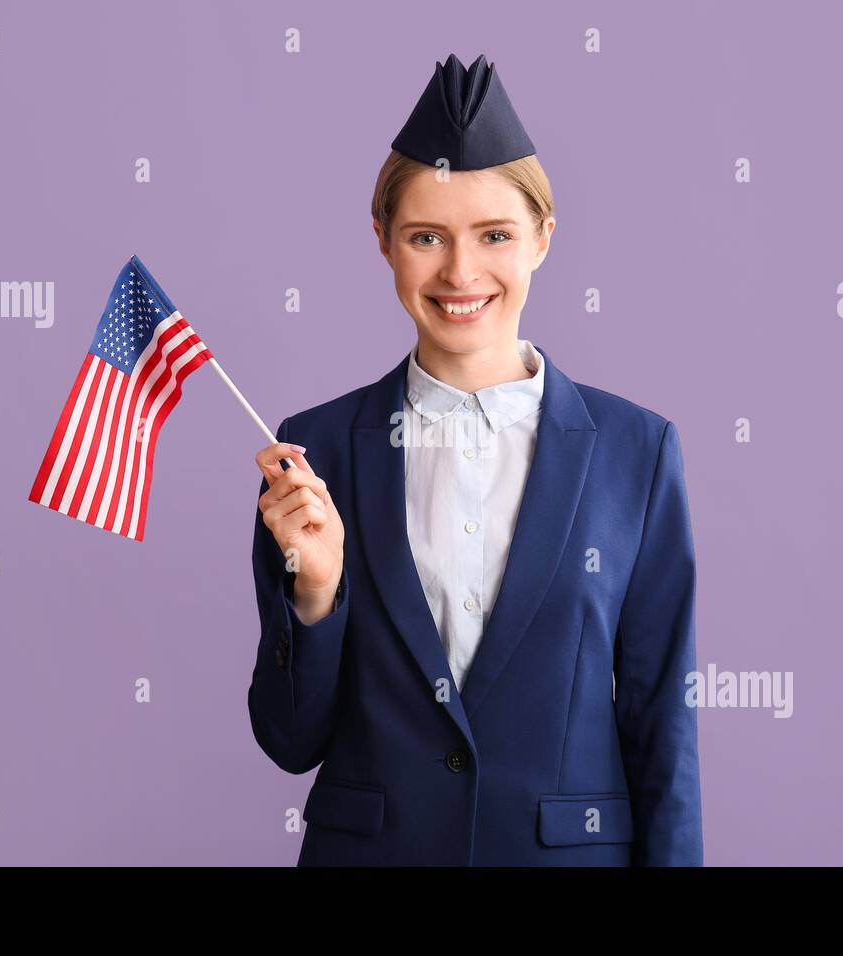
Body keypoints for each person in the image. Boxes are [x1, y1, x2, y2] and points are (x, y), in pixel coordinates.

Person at [249, 53, 702, 866]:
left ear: (543, 239)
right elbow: (291, 740)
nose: (461, 272)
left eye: (494, 235)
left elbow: (662, 723)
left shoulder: (638, 451)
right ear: (384, 240)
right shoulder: (314, 458)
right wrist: (315, 596)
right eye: (427, 236)